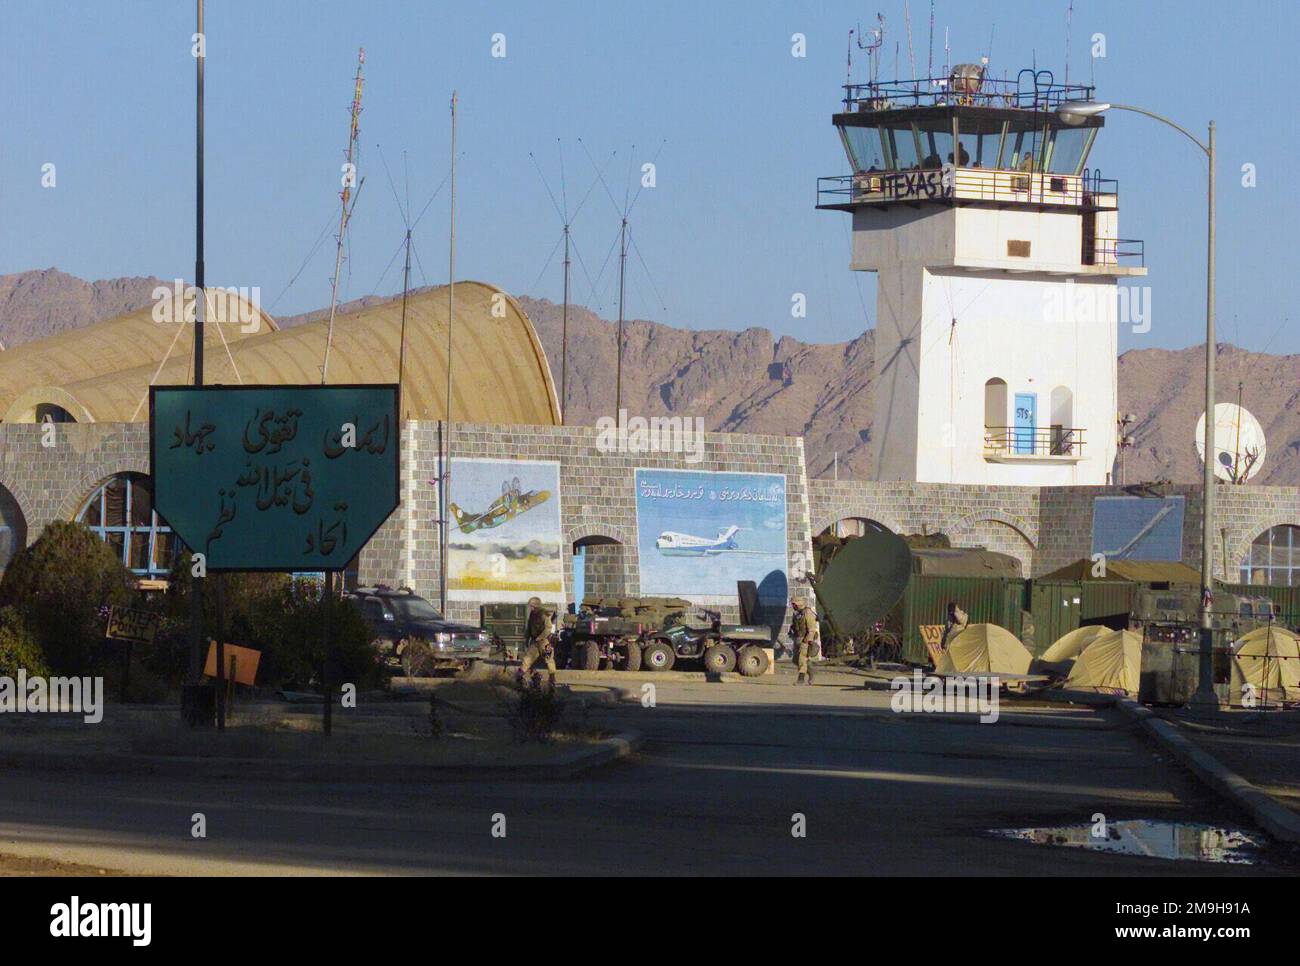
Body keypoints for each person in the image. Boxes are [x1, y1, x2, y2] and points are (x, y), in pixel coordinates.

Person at [519, 596, 556, 684]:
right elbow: (529, 628)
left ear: (536, 606)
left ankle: (552, 677)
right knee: (527, 658)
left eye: (531, 606)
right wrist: (527, 638)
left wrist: (540, 637)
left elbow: (548, 628)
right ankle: (520, 675)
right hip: (535, 641)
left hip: (544, 641)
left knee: (549, 659)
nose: (530, 608)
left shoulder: (544, 614)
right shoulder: (532, 614)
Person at [791, 598, 817, 685]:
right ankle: (811, 671)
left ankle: (801, 680)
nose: (793, 606)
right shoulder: (796, 613)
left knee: (801, 659)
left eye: (794, 604)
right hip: (797, 638)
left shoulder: (807, 612)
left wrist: (808, 640)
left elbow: (812, 628)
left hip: (805, 639)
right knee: (795, 659)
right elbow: (794, 626)